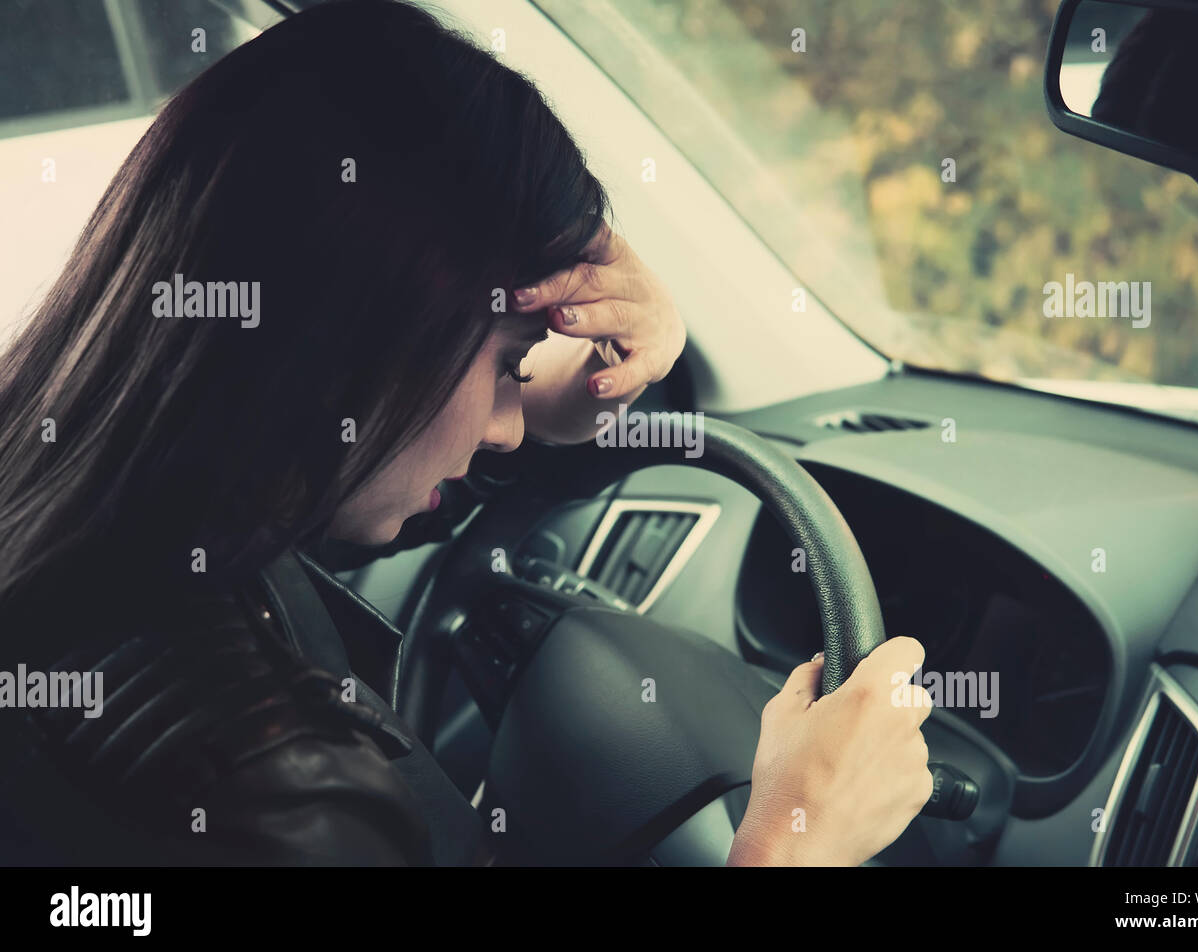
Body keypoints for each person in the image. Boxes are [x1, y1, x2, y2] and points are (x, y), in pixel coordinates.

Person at [0, 0, 933, 866]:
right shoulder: (287, 808)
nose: (505, 429)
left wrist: (563, 406)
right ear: (364, 337)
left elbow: (357, 487)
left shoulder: (93, 504)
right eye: (506, 363)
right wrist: (792, 840)